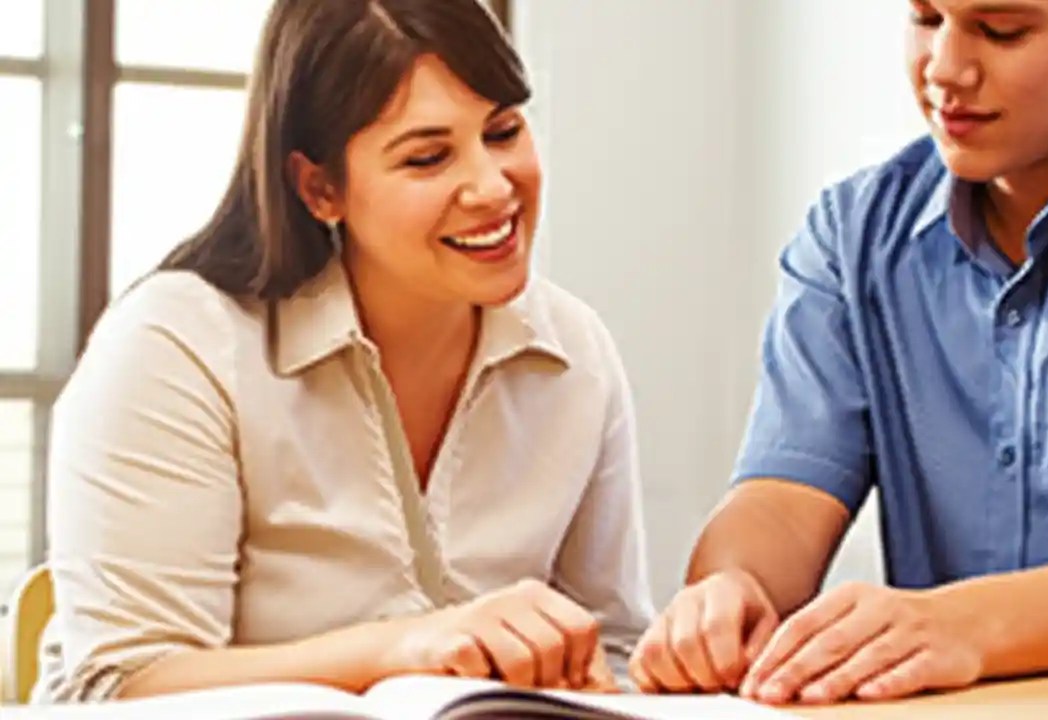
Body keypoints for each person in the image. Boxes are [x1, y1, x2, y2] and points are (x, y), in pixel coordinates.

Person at [632, 0, 1048, 705]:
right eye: (926, 18)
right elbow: (783, 501)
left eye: (1001, 31)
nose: (944, 69)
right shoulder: (853, 236)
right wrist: (731, 591)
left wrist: (958, 626)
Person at [35, 0, 653, 703]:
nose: (492, 186)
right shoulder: (176, 346)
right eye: (428, 157)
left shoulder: (576, 354)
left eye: (504, 130)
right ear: (320, 187)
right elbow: (120, 684)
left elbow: (613, 651)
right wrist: (406, 647)